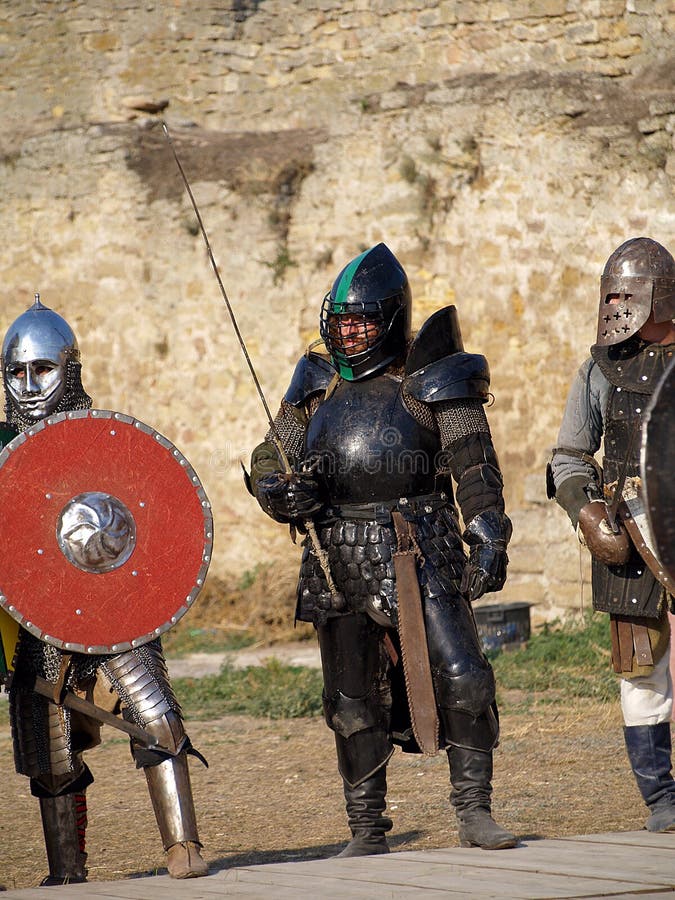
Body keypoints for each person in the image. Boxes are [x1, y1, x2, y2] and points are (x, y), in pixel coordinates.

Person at [248, 243, 516, 855]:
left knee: (466, 677)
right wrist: (276, 489)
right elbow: (274, 451)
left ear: (392, 318)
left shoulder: (433, 379)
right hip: (334, 549)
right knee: (350, 700)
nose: (350, 332)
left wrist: (489, 531)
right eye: (341, 321)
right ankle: (367, 829)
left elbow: (473, 466)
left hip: (419, 541)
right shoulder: (315, 381)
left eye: (362, 320)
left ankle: (475, 811)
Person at [1, 296, 209, 883]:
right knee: (47, 743)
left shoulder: (103, 437)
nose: (29, 384)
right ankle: (66, 870)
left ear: (71, 369)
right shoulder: (2, 452)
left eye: (42, 369)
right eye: (16, 373)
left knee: (155, 713)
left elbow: (150, 510)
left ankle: (182, 844)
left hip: (111, 600)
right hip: (39, 612)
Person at [548, 236, 675, 833]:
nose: (617, 306)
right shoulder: (600, 367)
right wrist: (585, 510)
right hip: (630, 540)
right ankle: (662, 800)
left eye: (630, 295)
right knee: (643, 673)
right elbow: (568, 457)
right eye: (612, 295)